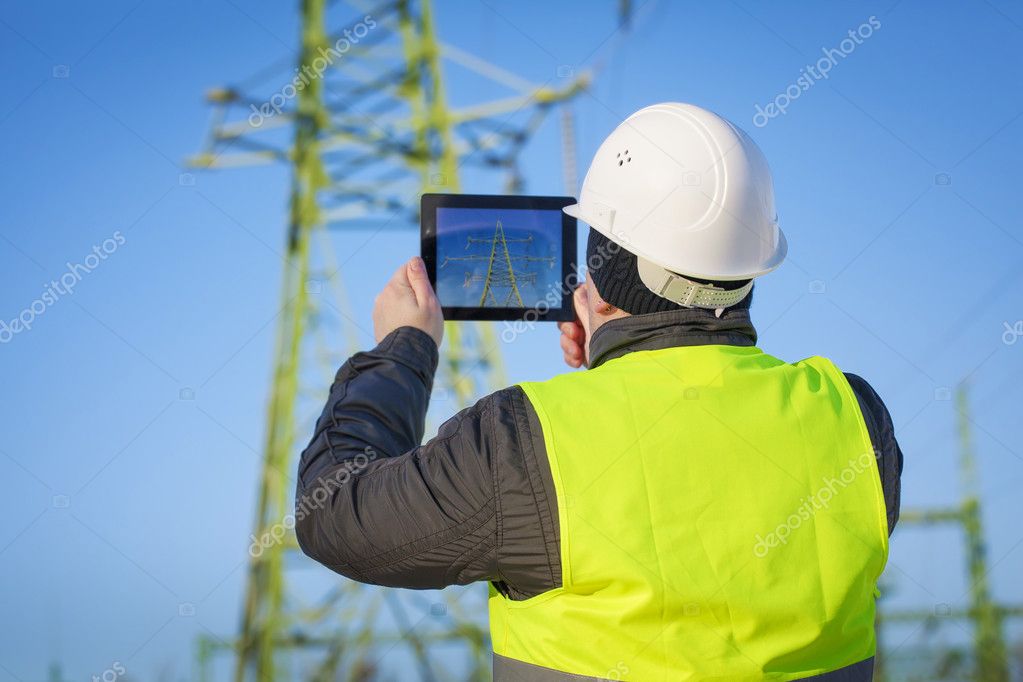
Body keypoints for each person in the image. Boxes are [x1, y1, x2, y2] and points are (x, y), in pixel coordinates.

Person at [296, 103, 903, 681]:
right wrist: (623, 355)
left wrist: (402, 349)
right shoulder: (856, 417)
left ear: (602, 274)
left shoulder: (520, 442)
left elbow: (332, 515)